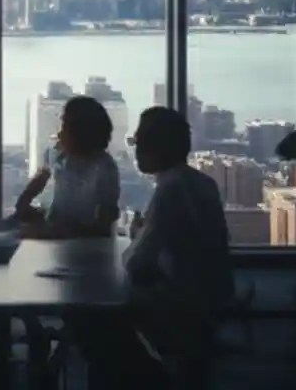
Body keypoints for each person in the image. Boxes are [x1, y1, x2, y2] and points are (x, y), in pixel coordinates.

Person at [75, 106, 233, 389]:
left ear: (156, 146)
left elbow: (136, 261)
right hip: (209, 302)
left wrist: (137, 240)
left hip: (178, 306)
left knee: (88, 319)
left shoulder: (170, 189)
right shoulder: (202, 182)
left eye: (139, 143)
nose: (136, 152)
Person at [14, 95, 121, 239]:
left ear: (81, 132)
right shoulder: (59, 158)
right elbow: (37, 185)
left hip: (87, 249)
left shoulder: (105, 169)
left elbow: (101, 227)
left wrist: (55, 231)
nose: (59, 133)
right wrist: (28, 204)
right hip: (58, 242)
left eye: (65, 126)